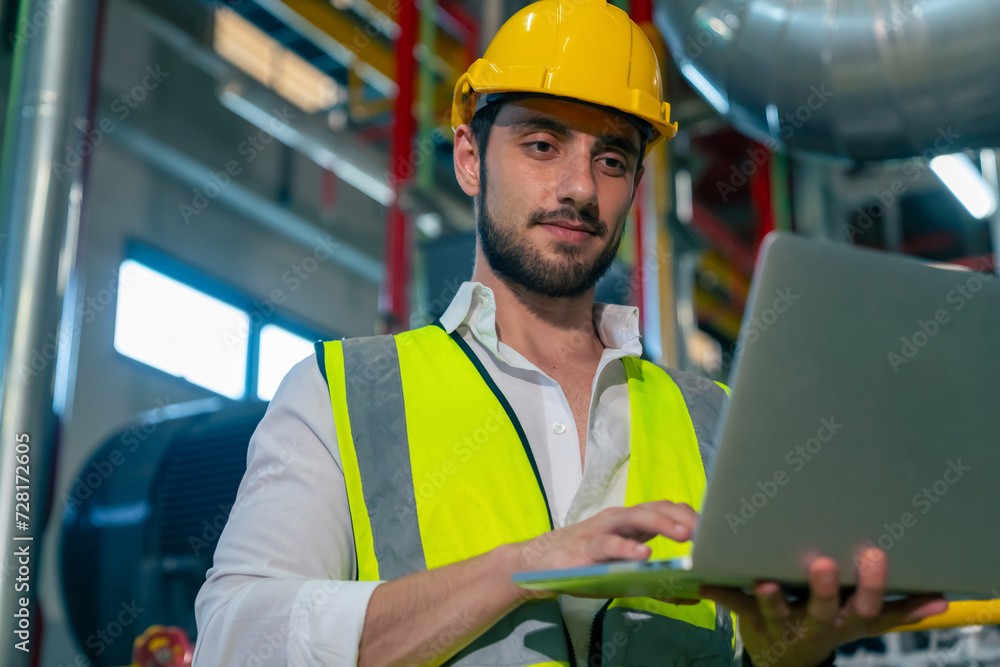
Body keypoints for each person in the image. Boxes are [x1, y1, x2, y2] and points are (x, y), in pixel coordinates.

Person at [193, 1, 948, 665]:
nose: (580, 188)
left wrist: (796, 653)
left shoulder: (719, 419)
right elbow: (235, 640)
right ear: (468, 159)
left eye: (611, 158)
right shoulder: (344, 394)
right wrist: (520, 567)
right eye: (542, 144)